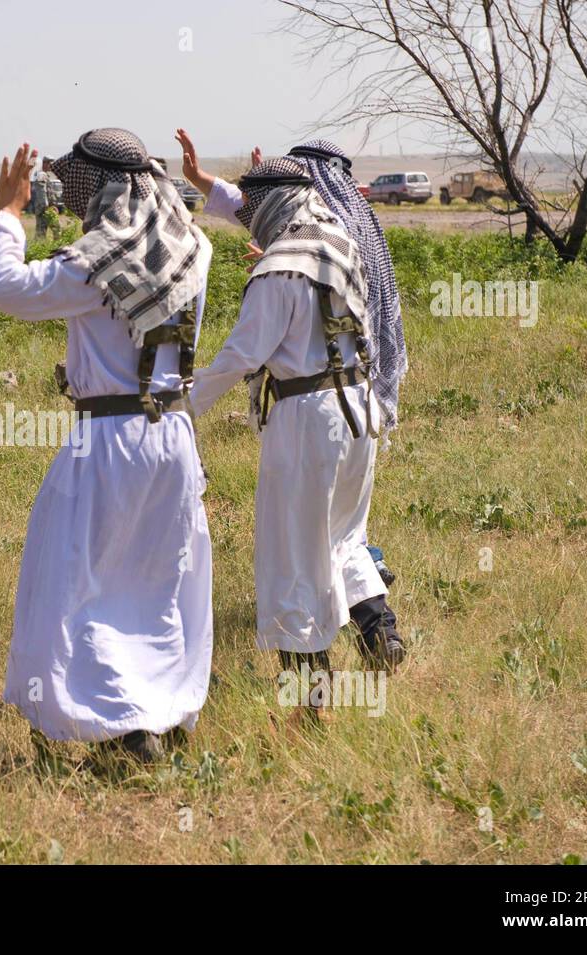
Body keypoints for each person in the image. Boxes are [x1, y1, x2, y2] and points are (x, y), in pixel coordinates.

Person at [0, 132, 214, 763]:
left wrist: (7, 215)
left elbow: (2, 289)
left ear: (99, 187)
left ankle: (117, 725)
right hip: (172, 438)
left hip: (108, 440)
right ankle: (155, 713)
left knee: (78, 581)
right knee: (153, 581)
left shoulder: (94, 267)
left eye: (77, 183)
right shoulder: (197, 249)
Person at [177, 129, 405, 668]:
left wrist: (182, 406)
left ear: (275, 202)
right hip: (359, 413)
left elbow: (240, 356)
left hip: (308, 421)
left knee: (292, 562)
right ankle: (380, 639)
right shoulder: (341, 243)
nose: (248, 212)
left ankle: (310, 697)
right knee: (344, 539)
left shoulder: (280, 265)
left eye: (253, 202)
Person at [31, 156, 63, 240]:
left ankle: (38, 249)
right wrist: (47, 207)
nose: (52, 165)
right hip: (45, 208)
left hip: (44, 208)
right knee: (57, 228)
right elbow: (42, 193)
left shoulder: (44, 175)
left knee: (41, 232)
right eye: (50, 163)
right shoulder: (42, 175)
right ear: (45, 163)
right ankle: (56, 248)